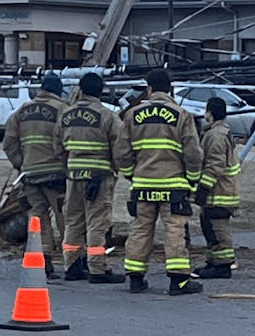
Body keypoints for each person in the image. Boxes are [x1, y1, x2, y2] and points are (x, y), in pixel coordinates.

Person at [114, 69, 204, 296]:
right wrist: (192, 180)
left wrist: (131, 175)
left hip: (143, 185)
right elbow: (193, 153)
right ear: (170, 89)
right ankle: (178, 281)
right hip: (173, 184)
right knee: (174, 231)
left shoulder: (132, 115)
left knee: (140, 229)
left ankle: (135, 278)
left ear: (149, 89)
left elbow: (121, 152)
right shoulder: (182, 115)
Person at [54, 72, 125, 284]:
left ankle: (72, 265)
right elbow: (119, 148)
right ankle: (97, 268)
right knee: (97, 222)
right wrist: (115, 169)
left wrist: (70, 164)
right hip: (99, 176)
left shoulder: (66, 115)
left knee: (73, 220)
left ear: (81, 90)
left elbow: (58, 147)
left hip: (73, 174)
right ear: (100, 92)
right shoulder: (107, 116)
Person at [3, 73, 67, 279]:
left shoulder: (20, 112)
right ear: (58, 90)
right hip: (56, 175)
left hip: (30, 174)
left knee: (37, 218)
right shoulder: (63, 110)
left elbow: (9, 143)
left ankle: (43, 261)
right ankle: (74, 261)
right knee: (65, 217)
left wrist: (21, 164)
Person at [194, 97, 241, 279]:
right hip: (221, 190)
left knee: (218, 228)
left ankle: (222, 266)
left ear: (210, 112)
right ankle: (214, 261)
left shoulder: (216, 136)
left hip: (219, 192)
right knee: (210, 228)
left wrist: (203, 188)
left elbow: (215, 164)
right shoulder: (217, 132)